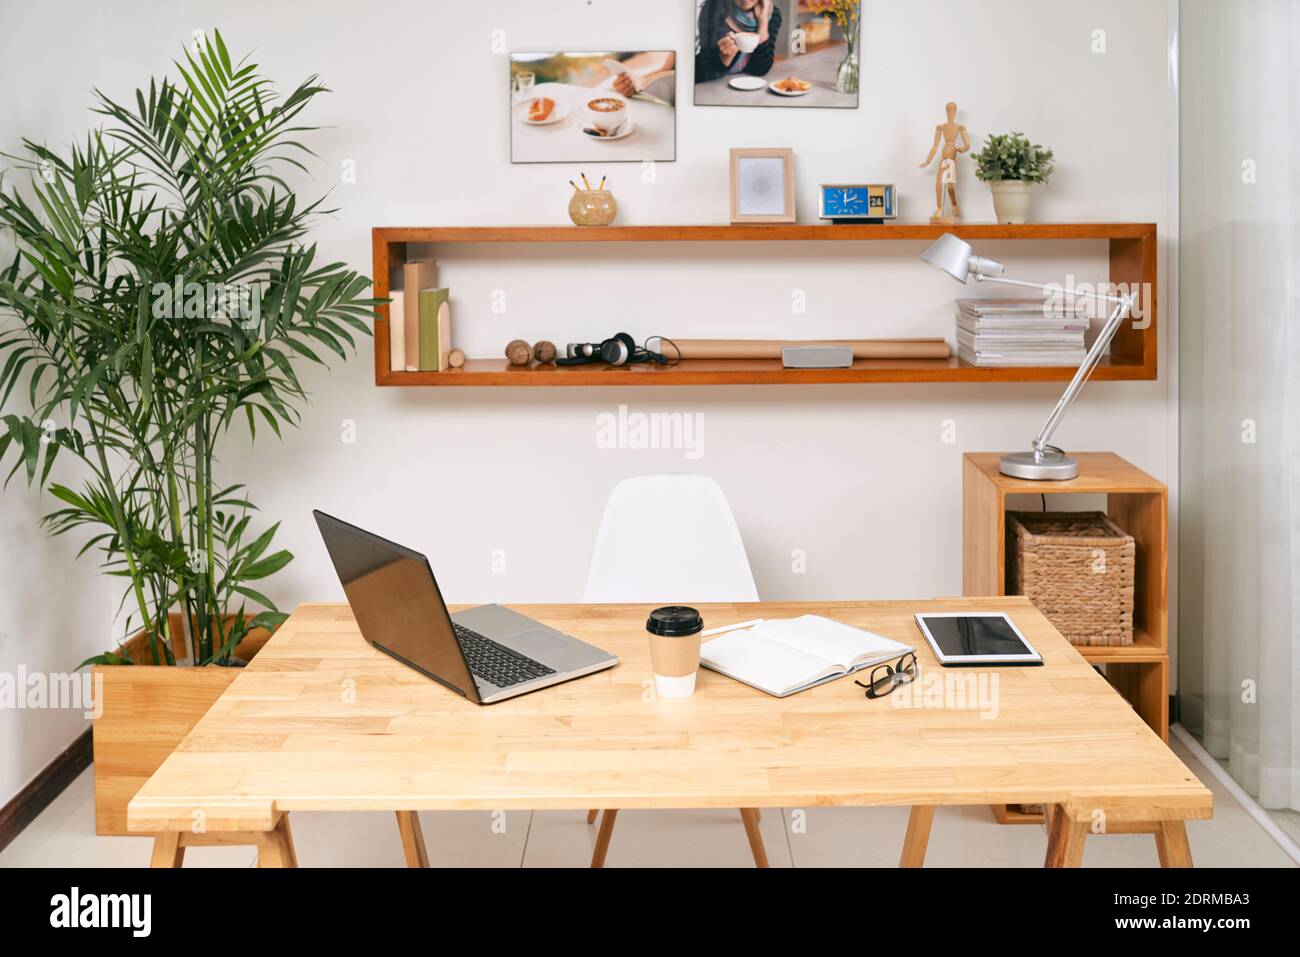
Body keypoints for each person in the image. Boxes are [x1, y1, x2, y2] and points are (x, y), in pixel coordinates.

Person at [695, 0, 783, 84]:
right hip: (714, 85)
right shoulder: (714, 7)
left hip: (747, 84)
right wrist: (723, 59)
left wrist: (763, 21)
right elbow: (701, 69)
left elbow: (760, 69)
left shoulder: (770, 13)